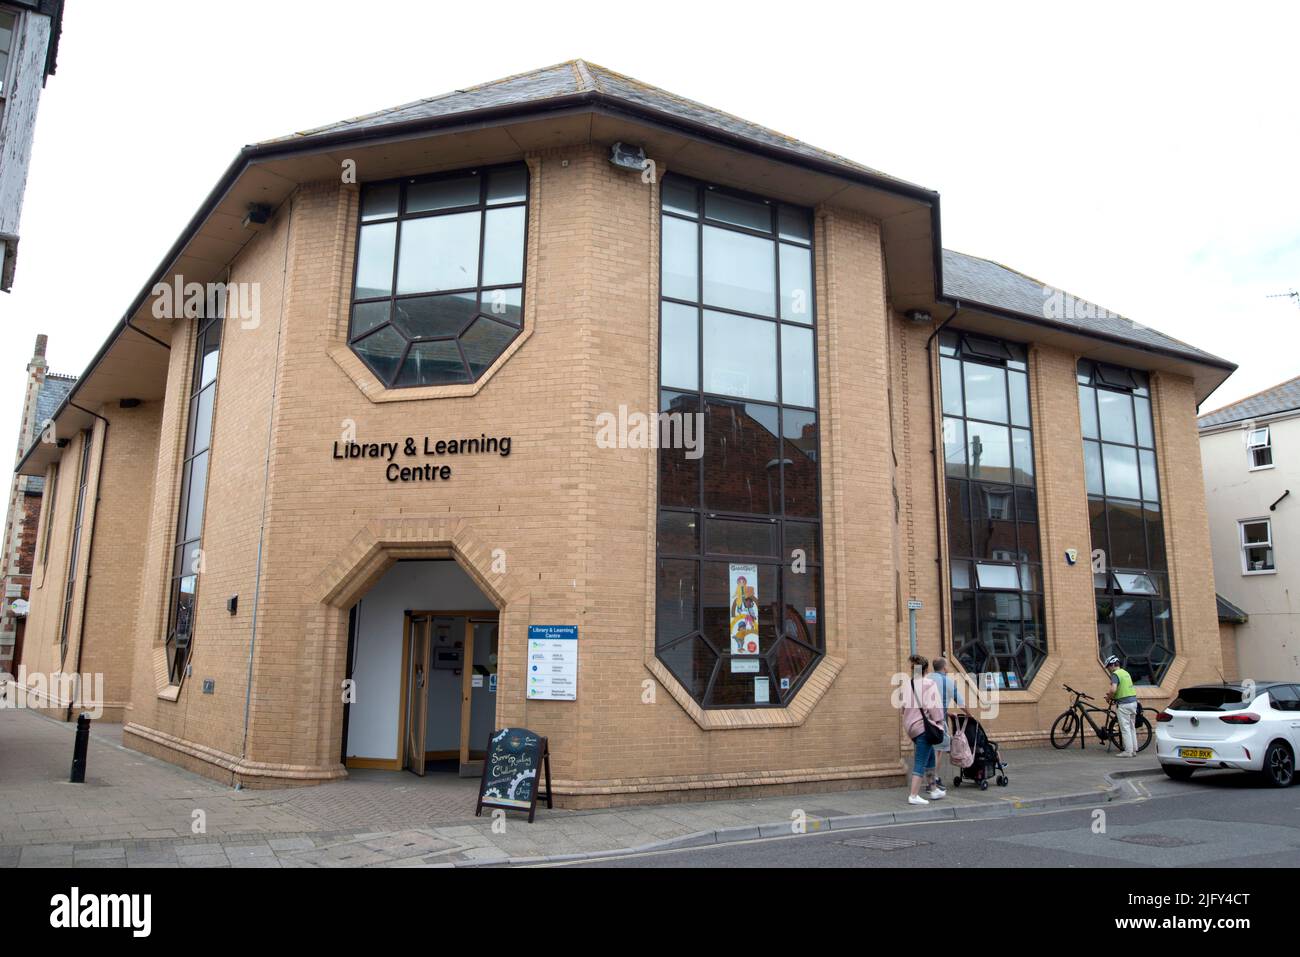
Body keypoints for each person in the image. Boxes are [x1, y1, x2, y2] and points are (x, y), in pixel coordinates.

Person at [902, 654, 946, 805]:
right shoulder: (929, 684)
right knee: (920, 761)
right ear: (926, 669)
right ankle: (913, 795)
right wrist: (940, 721)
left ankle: (933, 789)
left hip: (911, 727)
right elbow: (935, 708)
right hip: (923, 727)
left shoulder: (908, 683)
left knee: (930, 757)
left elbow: (903, 707)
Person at [931, 656, 975, 783]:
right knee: (938, 750)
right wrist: (969, 714)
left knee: (929, 748)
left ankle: (928, 777)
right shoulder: (947, 681)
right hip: (938, 721)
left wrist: (948, 712)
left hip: (924, 720)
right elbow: (960, 703)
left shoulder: (927, 678)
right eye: (947, 665)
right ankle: (933, 779)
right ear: (944, 667)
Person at [1104, 655, 1138, 757]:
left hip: (1124, 704)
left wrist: (1108, 698)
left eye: (1109, 666)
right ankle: (1134, 750)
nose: (1109, 669)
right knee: (1132, 727)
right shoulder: (1125, 673)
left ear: (1113, 664)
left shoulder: (1115, 674)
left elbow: (1113, 689)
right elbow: (1124, 688)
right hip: (1133, 703)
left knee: (1125, 728)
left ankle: (1128, 752)